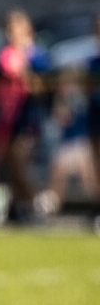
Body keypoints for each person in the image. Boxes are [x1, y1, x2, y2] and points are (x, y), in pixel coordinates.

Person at [0, 7, 48, 221]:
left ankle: (36, 204)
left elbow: (43, 86)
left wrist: (23, 72)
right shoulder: (3, 56)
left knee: (20, 162)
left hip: (28, 118)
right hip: (7, 119)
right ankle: (19, 207)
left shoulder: (36, 56)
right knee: (10, 165)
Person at [42, 66, 95, 216]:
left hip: (79, 142)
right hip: (66, 143)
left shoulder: (79, 98)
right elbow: (60, 119)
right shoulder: (61, 99)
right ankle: (51, 210)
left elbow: (69, 118)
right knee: (57, 179)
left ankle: (96, 209)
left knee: (89, 179)